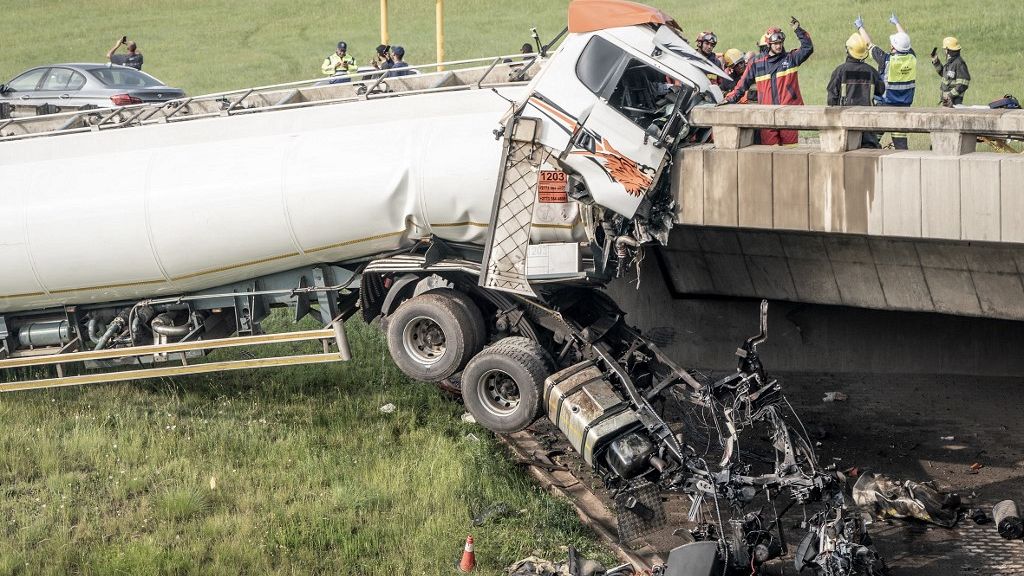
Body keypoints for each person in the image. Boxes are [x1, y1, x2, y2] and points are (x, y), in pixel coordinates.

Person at [725, 18, 814, 146]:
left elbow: (808, 48)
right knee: (769, 155)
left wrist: (798, 30)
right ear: (768, 44)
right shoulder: (756, 63)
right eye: (775, 43)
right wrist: (729, 99)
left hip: (788, 114)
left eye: (780, 42)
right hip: (766, 116)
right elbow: (742, 85)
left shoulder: (791, 59)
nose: (779, 46)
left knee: (791, 153)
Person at [856, 13, 916, 149]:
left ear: (893, 47)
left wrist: (860, 27)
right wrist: (897, 24)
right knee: (900, 143)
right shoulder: (912, 57)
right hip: (904, 107)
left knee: (873, 140)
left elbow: (868, 44)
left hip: (884, 106)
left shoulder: (886, 60)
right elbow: (906, 42)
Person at [827, 34, 885, 148]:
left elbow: (831, 99)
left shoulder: (840, 71)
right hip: (867, 123)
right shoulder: (871, 71)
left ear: (848, 50)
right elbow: (881, 90)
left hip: (846, 122)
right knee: (869, 153)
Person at [932, 37, 970, 106]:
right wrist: (936, 61)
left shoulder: (959, 63)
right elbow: (944, 75)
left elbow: (963, 84)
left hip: (954, 103)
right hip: (947, 102)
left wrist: (950, 95)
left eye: (945, 49)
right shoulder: (951, 62)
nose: (944, 51)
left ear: (948, 50)